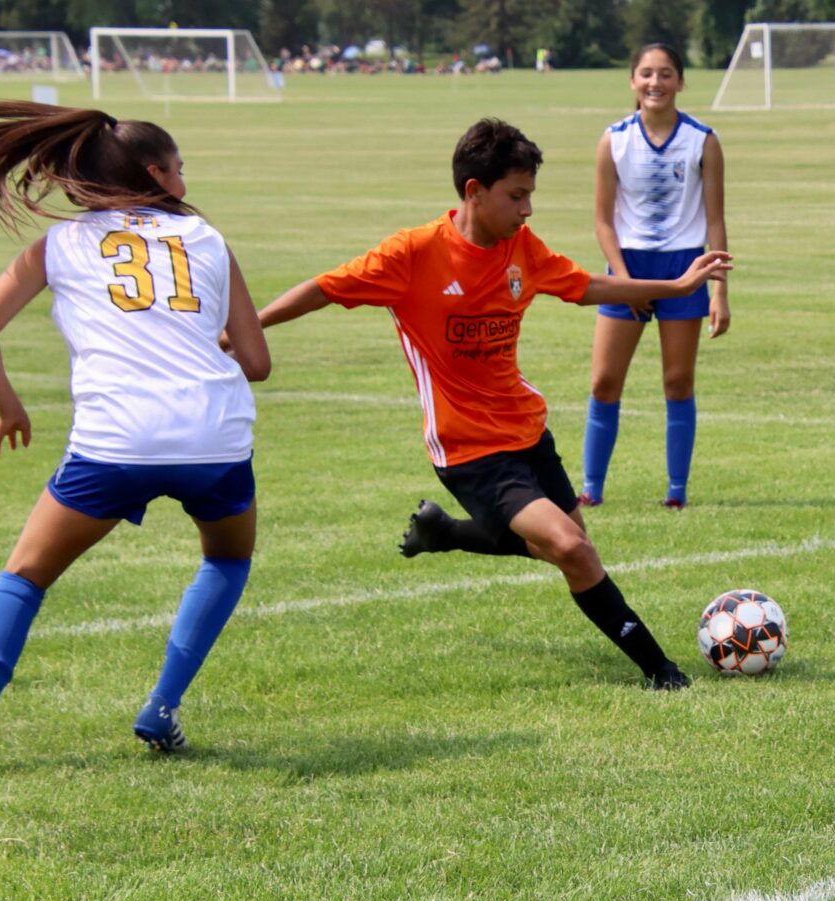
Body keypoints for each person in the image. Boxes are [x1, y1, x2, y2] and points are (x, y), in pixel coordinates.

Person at [249, 118, 730, 690]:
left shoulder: (519, 248)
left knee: (568, 549)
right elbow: (324, 287)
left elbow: (583, 286)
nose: (527, 212)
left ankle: (447, 534)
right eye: (516, 196)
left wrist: (674, 288)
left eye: (530, 196)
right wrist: (249, 328)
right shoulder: (412, 254)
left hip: (528, 430)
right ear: (474, 191)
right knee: (572, 548)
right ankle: (662, 672)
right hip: (469, 447)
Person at [0, 100, 271, 776]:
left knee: (24, 575)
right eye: (178, 168)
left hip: (115, 443)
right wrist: (201, 342)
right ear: (154, 173)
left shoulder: (59, 244)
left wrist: (9, 406)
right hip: (214, 439)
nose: (185, 182)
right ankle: (162, 706)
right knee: (227, 560)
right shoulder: (208, 240)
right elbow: (256, 364)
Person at [580, 43, 729, 510]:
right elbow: (603, 221)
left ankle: (676, 493)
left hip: (685, 267)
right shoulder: (615, 139)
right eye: (646, 74)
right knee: (605, 382)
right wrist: (624, 282)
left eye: (666, 74)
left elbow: (715, 221)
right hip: (628, 267)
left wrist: (720, 291)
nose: (655, 83)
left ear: (680, 82)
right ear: (632, 81)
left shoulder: (702, 140)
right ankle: (591, 490)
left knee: (677, 382)